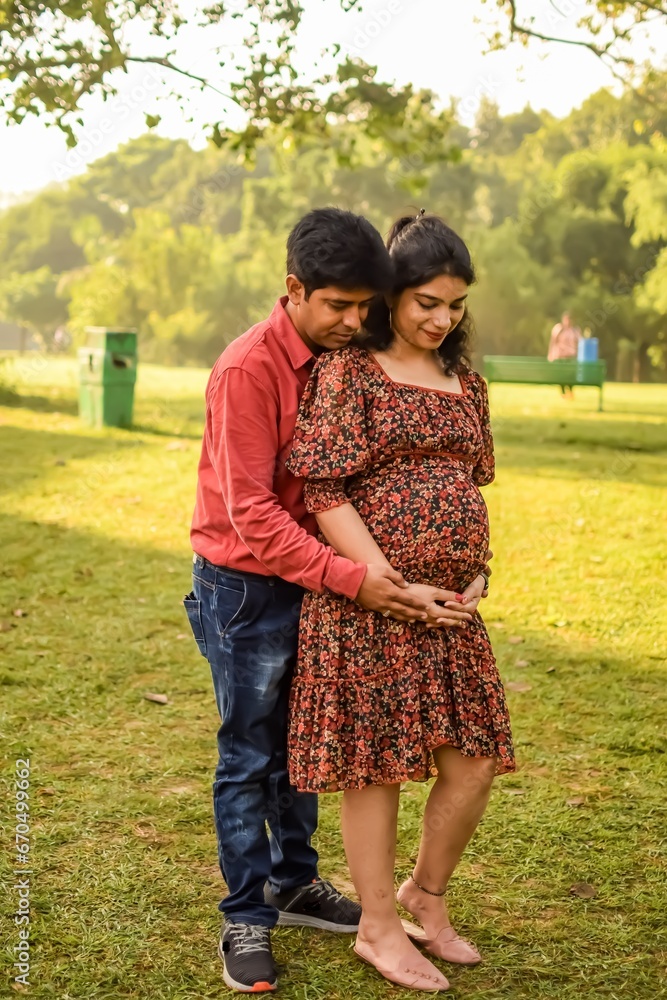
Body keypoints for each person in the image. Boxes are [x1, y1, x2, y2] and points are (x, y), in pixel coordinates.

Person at [184, 208, 472, 994]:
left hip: (313, 584)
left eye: (363, 307)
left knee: (305, 747)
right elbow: (256, 513)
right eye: (338, 307)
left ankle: (296, 882)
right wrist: (360, 579)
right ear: (293, 290)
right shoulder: (251, 368)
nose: (354, 321)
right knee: (249, 753)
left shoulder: (343, 361)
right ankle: (246, 911)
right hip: (247, 586)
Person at [286, 213, 515, 993]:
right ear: (391, 297)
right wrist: (389, 583)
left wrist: (476, 568)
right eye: (424, 301)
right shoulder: (350, 373)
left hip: (449, 606)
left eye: (453, 304)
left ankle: (427, 895)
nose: (440, 318)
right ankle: (378, 928)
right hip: (372, 602)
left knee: (474, 763)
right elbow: (325, 490)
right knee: (373, 768)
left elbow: (466, 487)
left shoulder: (466, 383)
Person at [548, 310, 581, 397]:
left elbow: (579, 343)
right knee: (561, 375)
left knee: (570, 375)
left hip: (571, 356)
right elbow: (553, 342)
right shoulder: (559, 328)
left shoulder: (575, 330)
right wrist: (551, 354)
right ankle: (563, 393)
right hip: (560, 356)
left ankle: (570, 391)